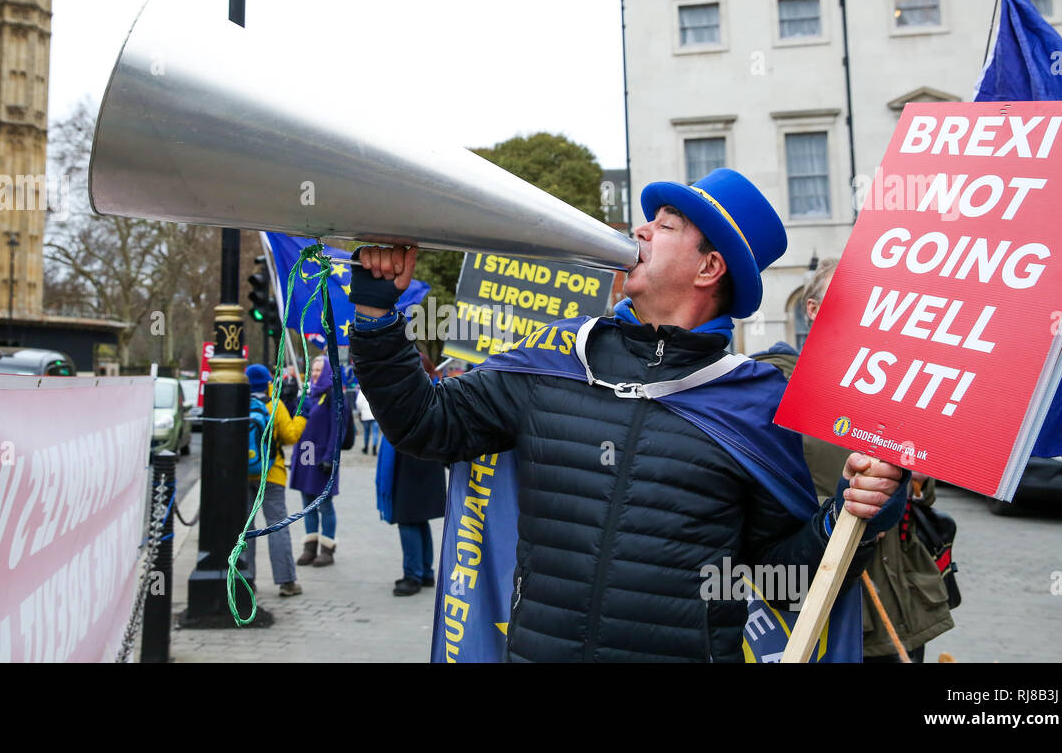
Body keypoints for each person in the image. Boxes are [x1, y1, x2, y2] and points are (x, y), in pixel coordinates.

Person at [348, 168, 909, 662]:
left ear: (710, 267)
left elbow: (781, 580)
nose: (639, 230)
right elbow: (424, 422)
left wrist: (855, 517)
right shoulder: (555, 357)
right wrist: (376, 314)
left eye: (665, 226)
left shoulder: (756, 401)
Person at [754, 259, 954, 662]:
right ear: (812, 310)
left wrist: (911, 475)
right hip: (831, 600)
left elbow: (924, 493)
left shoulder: (892, 385)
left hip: (902, 602)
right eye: (852, 300)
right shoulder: (773, 386)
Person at [375, 351, 448, 596]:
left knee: (408, 520)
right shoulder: (432, 390)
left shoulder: (417, 392)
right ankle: (425, 572)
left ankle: (412, 575)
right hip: (423, 465)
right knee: (418, 520)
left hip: (413, 465)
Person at [243, 364, 307, 598]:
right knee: (277, 527)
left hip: (243, 475)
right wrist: (302, 416)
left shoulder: (238, 404)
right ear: (268, 383)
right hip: (272, 474)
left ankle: (246, 581)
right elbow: (290, 436)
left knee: (245, 530)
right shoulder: (274, 406)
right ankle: (286, 582)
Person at [290, 354, 342, 567]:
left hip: (322, 455)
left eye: (319, 370)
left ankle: (327, 549)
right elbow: (298, 418)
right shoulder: (309, 395)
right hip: (306, 452)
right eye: (313, 370)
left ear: (328, 372)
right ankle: (309, 547)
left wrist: (330, 456)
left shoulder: (333, 395)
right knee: (307, 502)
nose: (315, 374)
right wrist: (291, 398)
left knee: (324, 503)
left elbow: (338, 429)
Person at [356, 376, 381, 455]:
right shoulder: (377, 389)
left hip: (366, 415)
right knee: (375, 432)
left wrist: (360, 412)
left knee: (366, 432)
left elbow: (358, 403)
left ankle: (366, 447)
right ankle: (374, 448)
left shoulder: (362, 391)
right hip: (375, 415)